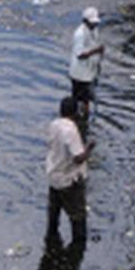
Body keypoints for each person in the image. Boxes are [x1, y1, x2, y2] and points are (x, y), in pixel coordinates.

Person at [45, 96, 89, 247]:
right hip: (69, 180)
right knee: (78, 216)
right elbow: (78, 158)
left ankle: (51, 238)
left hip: (53, 176)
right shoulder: (71, 130)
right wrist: (89, 149)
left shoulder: (53, 124)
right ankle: (78, 247)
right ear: (75, 112)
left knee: (54, 212)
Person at [68, 6, 104, 118]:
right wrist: (96, 51)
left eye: (95, 23)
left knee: (86, 98)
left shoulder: (94, 30)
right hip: (80, 74)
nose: (94, 25)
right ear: (85, 21)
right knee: (79, 98)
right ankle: (78, 117)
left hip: (89, 72)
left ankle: (84, 116)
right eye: (91, 23)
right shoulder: (80, 34)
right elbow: (80, 55)